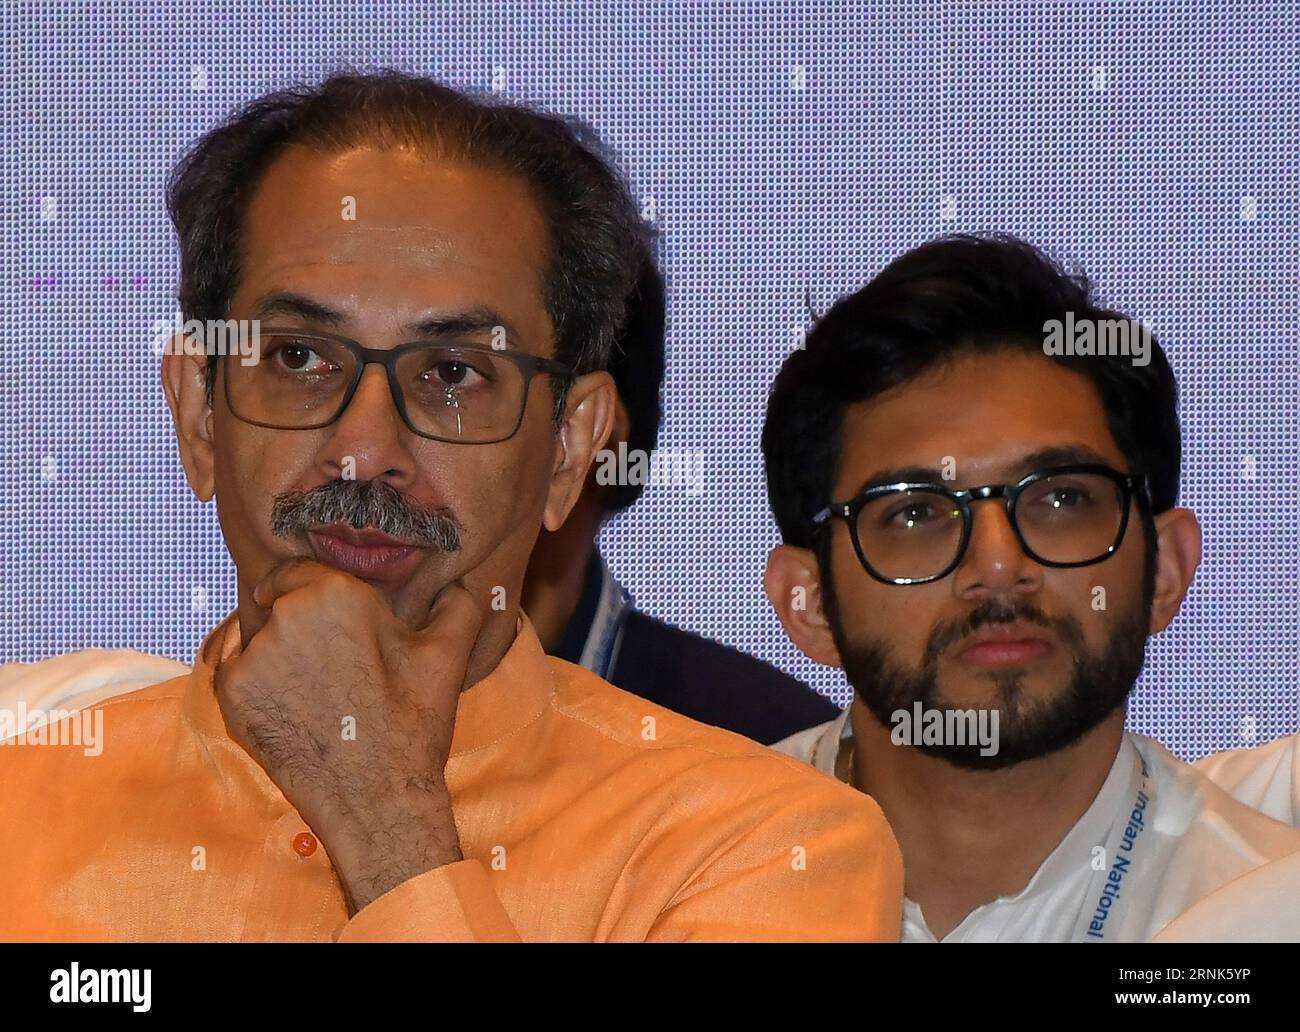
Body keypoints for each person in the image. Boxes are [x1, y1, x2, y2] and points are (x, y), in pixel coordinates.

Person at [0, 71, 902, 942]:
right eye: (300, 359)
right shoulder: (21, 808)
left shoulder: (768, 848)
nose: (364, 451)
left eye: (454, 375)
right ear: (200, 415)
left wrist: (387, 825)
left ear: (568, 449)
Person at [761, 233, 1300, 941]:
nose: (997, 564)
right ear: (811, 604)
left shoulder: (1266, 914)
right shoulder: (660, 887)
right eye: (916, 512)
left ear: (1165, 568)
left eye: (1061, 499)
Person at [523, 241, 839, 744]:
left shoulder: (765, 753)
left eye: (454, 376)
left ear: (588, 441)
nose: (364, 447)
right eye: (345, 368)